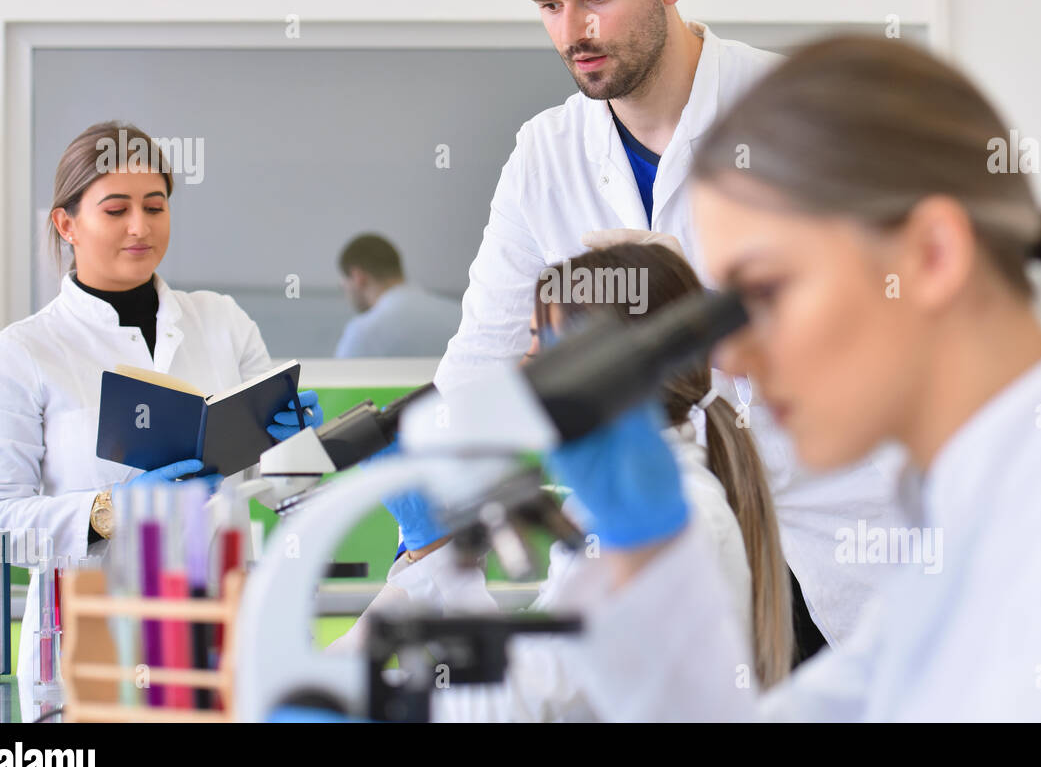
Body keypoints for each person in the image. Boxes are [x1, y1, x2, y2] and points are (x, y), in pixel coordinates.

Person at [539, 36, 1041, 721]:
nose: (733, 359)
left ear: (933, 255)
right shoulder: (953, 548)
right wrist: (648, 552)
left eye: (765, 293)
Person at [433, 0, 902, 652]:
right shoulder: (544, 155)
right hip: (660, 533)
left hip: (830, 531)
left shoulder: (791, 110)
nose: (572, 31)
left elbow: (885, 322)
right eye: (549, 7)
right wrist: (410, 456)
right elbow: (483, 351)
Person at [334, 242, 792, 719]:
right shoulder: (632, 498)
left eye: (544, 345)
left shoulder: (671, 513)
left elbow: (521, 706)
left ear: (601, 365)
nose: (526, 364)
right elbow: (540, 677)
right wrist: (438, 557)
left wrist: (381, 701)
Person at [0, 121, 321, 687]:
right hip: (88, 645)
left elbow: (286, 493)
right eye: (115, 210)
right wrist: (107, 512)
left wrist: (296, 447)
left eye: (155, 207)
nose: (140, 226)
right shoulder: (26, 352)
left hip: (216, 630)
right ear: (66, 223)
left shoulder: (221, 321)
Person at [334, 233, 461, 358]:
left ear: (357, 277)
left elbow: (339, 377)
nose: (346, 295)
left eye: (343, 286)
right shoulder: (460, 315)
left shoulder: (363, 333)